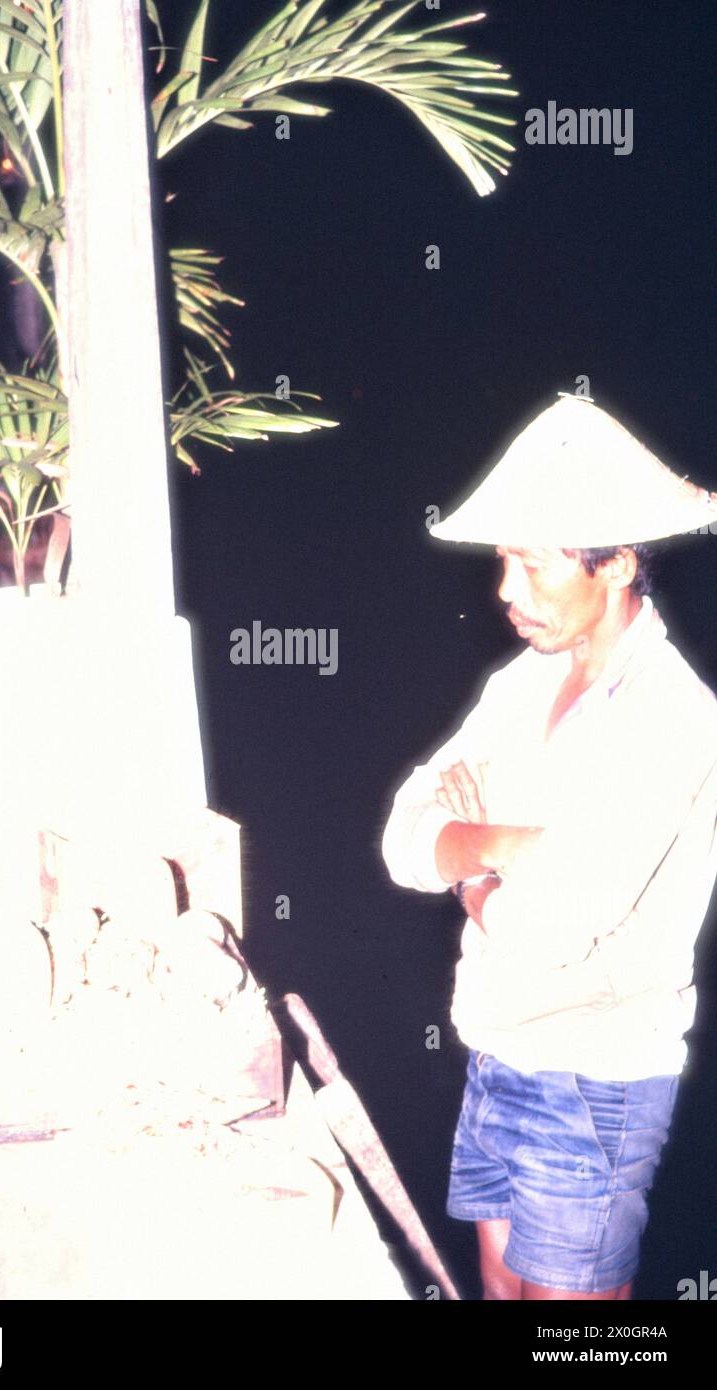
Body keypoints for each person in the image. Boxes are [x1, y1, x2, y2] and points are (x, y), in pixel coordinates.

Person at [380, 392, 717, 1300]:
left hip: (597, 1083)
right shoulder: (522, 685)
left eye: (532, 566)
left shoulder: (672, 717)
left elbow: (547, 932)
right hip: (497, 1055)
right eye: (503, 563)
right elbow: (402, 837)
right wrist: (505, 844)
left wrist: (469, 872)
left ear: (613, 567)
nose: (505, 592)